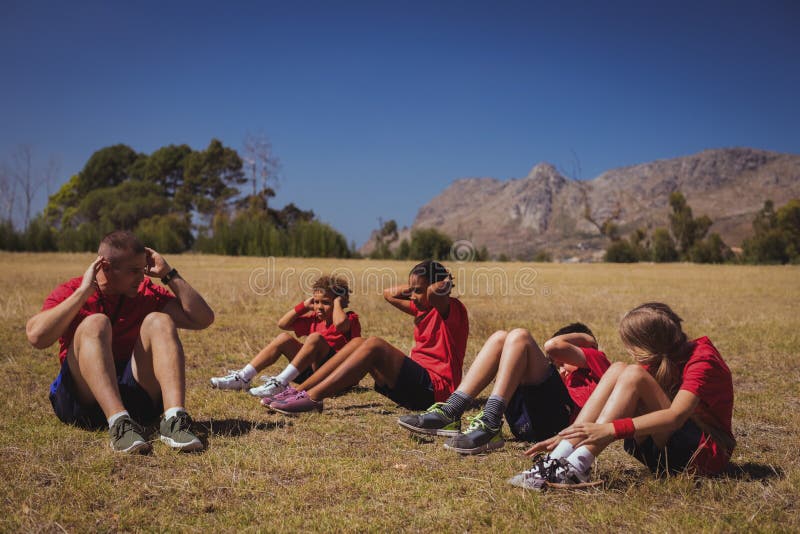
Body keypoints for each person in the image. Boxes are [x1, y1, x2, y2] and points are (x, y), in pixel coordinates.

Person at [510, 302, 735, 490]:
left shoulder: (702, 361)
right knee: (618, 368)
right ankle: (559, 458)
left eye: (631, 347)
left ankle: (576, 468)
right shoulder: (665, 354)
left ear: (647, 346)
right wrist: (565, 437)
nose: (631, 354)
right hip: (670, 450)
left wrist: (610, 430)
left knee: (634, 375)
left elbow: (675, 417)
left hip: (704, 457)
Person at [26, 231, 215, 453]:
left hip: (136, 400)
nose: (141, 277)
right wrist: (82, 294)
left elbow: (202, 318)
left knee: (160, 321)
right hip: (81, 402)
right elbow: (37, 337)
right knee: (95, 323)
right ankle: (118, 423)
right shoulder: (73, 290)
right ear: (104, 267)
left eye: (142, 269)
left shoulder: (145, 293)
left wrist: (168, 274)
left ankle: (174, 420)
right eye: (134, 271)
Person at [268, 260, 469, 415]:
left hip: (436, 391)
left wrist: (445, 281)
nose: (412, 297)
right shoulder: (421, 309)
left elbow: (434, 292)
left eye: (418, 291)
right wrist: (415, 288)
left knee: (375, 345)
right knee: (358, 343)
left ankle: (313, 399)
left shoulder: (451, 309)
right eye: (411, 291)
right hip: (415, 387)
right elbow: (389, 294)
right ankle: (298, 392)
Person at [398, 323, 610, 455]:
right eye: (557, 364)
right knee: (501, 337)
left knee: (520, 336)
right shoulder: (556, 380)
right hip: (526, 424)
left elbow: (552, 346)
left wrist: (588, 340)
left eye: (565, 362)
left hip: (561, 424)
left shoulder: (596, 363)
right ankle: (452, 411)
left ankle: (490, 421)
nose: (561, 368)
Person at [209, 275, 361, 398]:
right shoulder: (314, 318)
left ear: (339, 302)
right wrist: (303, 306)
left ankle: (280, 383)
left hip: (336, 377)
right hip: (313, 373)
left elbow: (341, 325)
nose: (319, 307)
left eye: (326, 303)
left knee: (315, 338)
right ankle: (243, 378)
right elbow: (283, 324)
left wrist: (338, 303)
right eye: (316, 302)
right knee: (284, 338)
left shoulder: (350, 318)